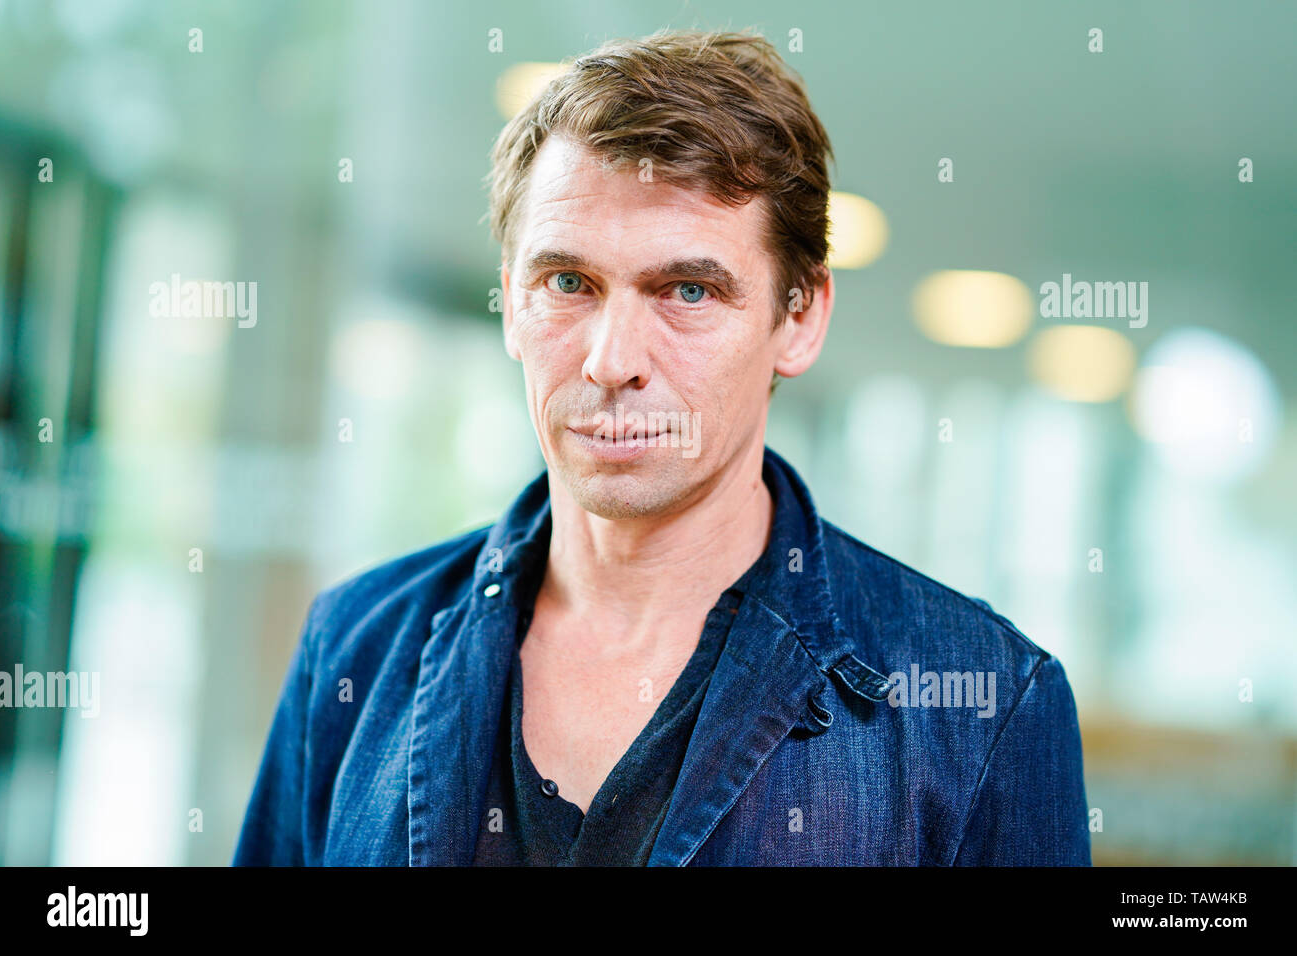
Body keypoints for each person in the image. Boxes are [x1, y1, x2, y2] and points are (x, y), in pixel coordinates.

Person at [232, 28, 1090, 866]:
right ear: (509, 301)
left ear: (798, 318)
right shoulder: (354, 646)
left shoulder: (980, 707)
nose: (611, 360)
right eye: (568, 283)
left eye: (686, 290)